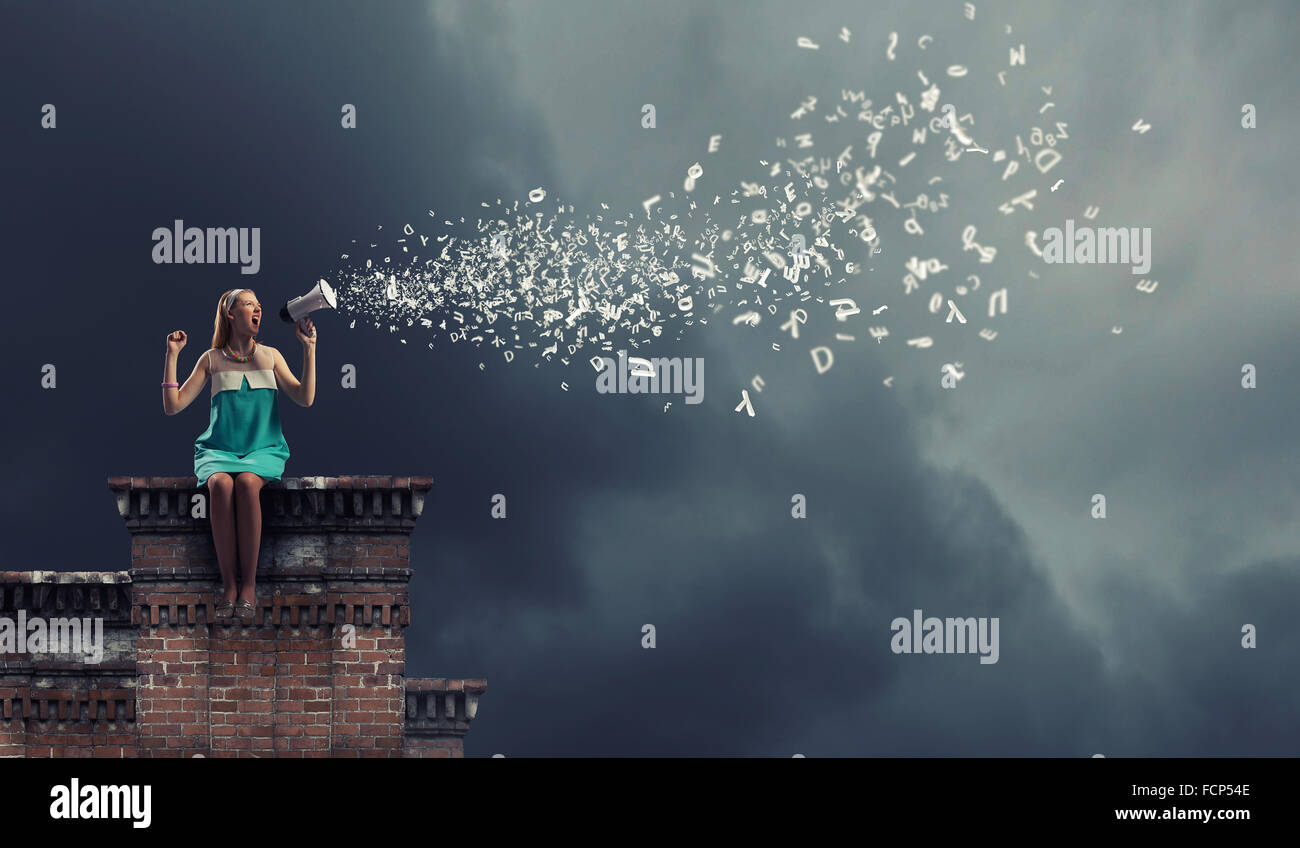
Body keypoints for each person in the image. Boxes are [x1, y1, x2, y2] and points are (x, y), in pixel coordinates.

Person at [161, 288, 317, 625]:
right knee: (220, 485)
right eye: (249, 304)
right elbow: (173, 407)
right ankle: (229, 586)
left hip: (263, 449)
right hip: (218, 450)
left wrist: (309, 350)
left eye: (259, 306)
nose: (257, 309)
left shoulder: (272, 356)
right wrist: (172, 355)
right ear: (231, 314)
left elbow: (305, 398)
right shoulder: (211, 359)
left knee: (247, 484)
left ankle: (249, 586)